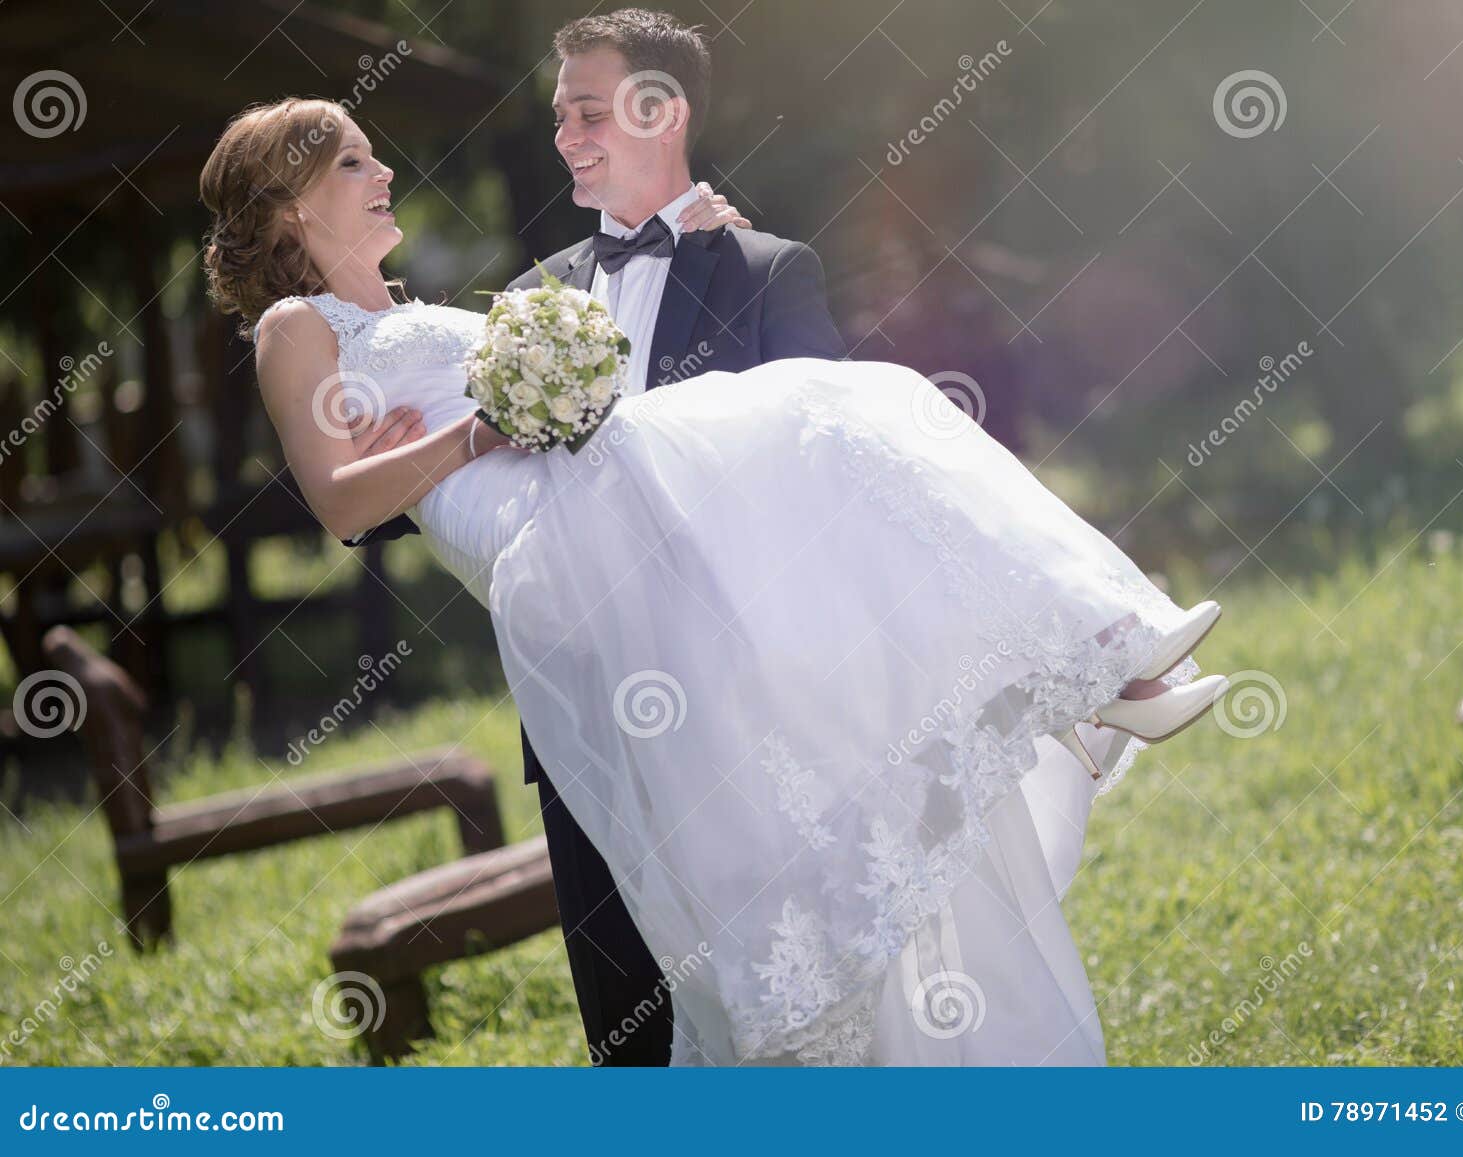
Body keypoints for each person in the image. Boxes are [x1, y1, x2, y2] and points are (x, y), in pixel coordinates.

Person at [201, 87, 1228, 1065]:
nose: (383, 169)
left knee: (849, 455)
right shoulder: (296, 328)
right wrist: (475, 429)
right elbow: (339, 499)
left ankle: (1090, 669)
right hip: (556, 542)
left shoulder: (415, 311)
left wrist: (672, 250)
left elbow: (536, 403)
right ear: (291, 204)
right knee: (832, 420)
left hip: (591, 495)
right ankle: (1086, 671)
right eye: (351, 159)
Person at [343, 9, 848, 1066]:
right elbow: (423, 492)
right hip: (578, 708)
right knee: (627, 1021)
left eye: (588, 111)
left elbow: (826, 471)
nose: (566, 135)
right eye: (559, 113)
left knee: (784, 1003)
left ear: (661, 109)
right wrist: (398, 449)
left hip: (735, 700)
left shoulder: (765, 272)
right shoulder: (528, 300)